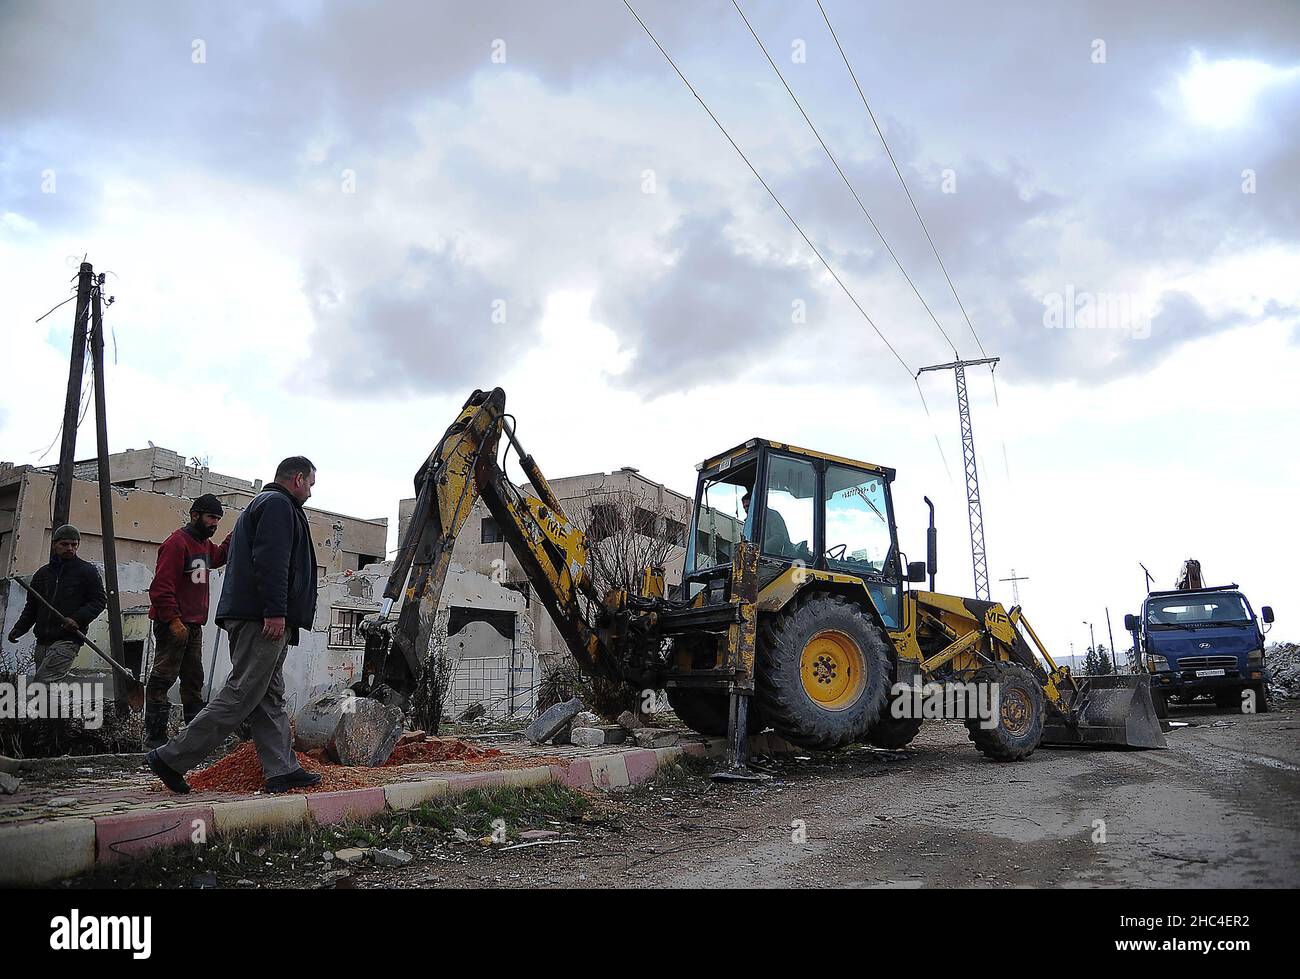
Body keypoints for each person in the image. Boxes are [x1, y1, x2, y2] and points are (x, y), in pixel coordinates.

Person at [147, 457, 322, 794]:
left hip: (258, 615)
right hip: (262, 618)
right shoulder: (277, 505)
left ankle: (281, 770)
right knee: (241, 693)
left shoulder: (268, 505)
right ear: (297, 479)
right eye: (311, 484)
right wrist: (275, 610)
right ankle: (170, 758)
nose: (311, 493)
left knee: (269, 696)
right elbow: (272, 560)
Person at [143, 494, 232, 750]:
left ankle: (194, 739)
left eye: (217, 519)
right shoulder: (177, 543)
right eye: (210, 517)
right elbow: (160, 588)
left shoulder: (203, 545)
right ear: (195, 515)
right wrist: (173, 620)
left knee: (193, 680)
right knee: (163, 677)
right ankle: (155, 739)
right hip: (174, 624)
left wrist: (236, 534)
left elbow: (218, 557)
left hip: (193, 625)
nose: (214, 523)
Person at [6, 525, 106, 683]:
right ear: (54, 544)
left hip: (68, 639)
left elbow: (99, 601)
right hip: (43, 640)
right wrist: (20, 628)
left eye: (74, 544)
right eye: (65, 544)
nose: (70, 548)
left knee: (44, 682)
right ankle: (51, 708)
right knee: (48, 688)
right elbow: (32, 606)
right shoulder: (42, 574)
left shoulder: (87, 572)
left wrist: (77, 619)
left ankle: (44, 707)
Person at [741, 489, 795, 558]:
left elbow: (779, 538)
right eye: (744, 507)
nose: (746, 509)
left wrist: (759, 549)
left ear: (756, 503)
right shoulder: (748, 524)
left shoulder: (772, 516)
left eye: (748, 506)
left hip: (775, 562)